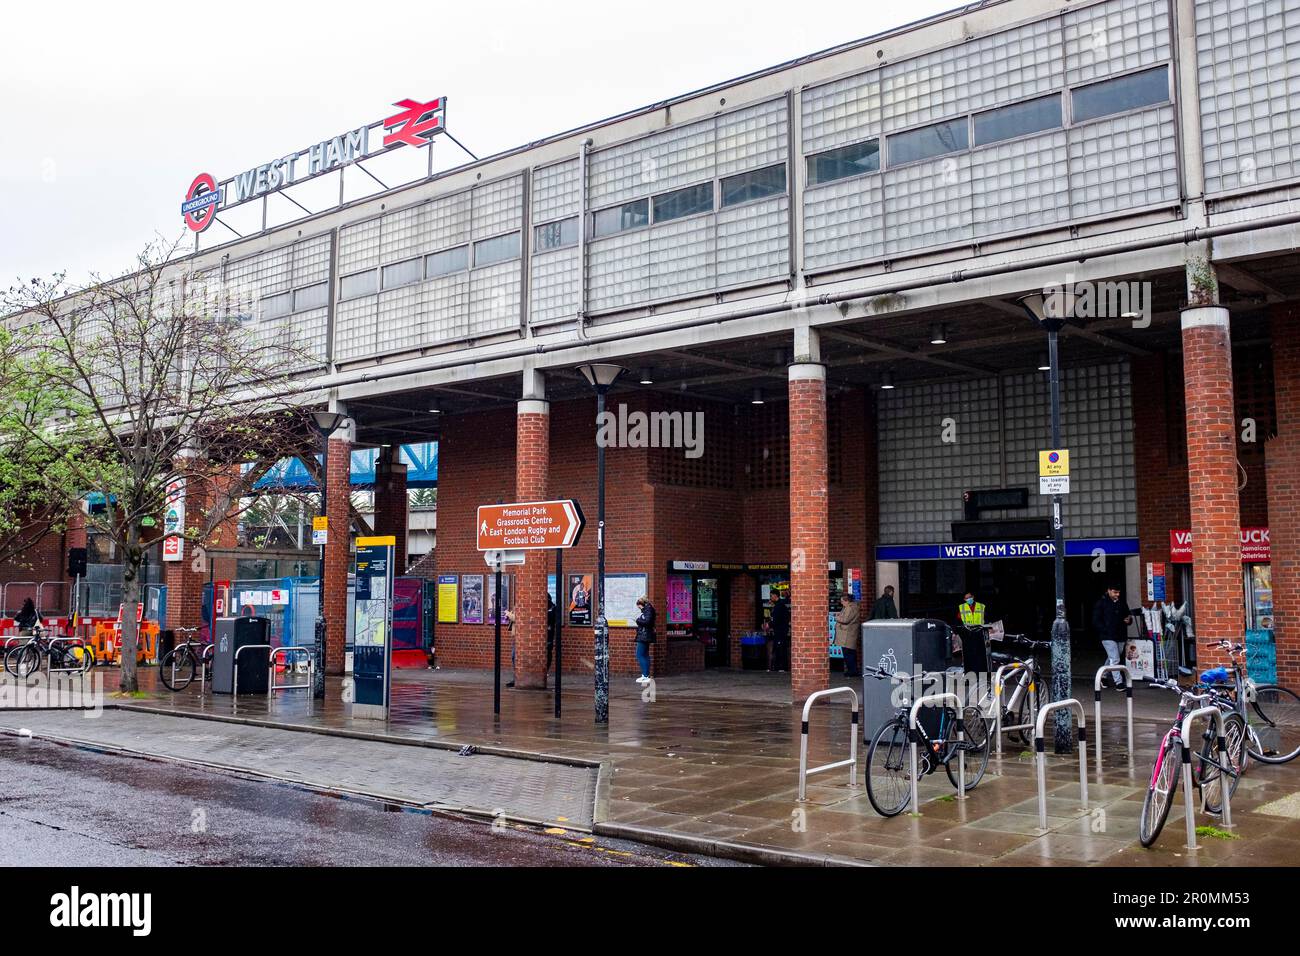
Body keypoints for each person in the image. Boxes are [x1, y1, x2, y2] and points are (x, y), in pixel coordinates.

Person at [1093, 585, 1132, 689]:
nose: (1117, 595)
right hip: (1107, 635)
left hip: (1120, 634)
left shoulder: (1122, 602)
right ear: (1109, 591)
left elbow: (1128, 615)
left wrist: (1129, 620)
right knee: (1115, 658)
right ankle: (1118, 683)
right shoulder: (1101, 603)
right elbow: (1096, 620)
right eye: (1115, 592)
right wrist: (1105, 630)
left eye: (1118, 592)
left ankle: (1103, 675)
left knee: (1113, 657)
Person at [835, 590, 862, 678]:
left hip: (847, 634)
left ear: (847, 601)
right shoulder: (850, 607)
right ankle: (852, 670)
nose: (841, 603)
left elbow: (846, 620)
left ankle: (852, 671)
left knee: (848, 654)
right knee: (850, 653)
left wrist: (837, 618)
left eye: (842, 601)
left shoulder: (849, 608)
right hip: (848, 633)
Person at [634, 596, 656, 685]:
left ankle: (645, 675)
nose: (639, 608)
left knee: (639, 654)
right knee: (645, 654)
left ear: (641, 604)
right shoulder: (648, 609)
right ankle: (646, 675)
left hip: (644, 635)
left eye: (638, 606)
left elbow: (647, 622)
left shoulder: (648, 610)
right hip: (646, 635)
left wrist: (637, 620)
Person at [769, 593, 791, 672]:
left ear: (775, 596)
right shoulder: (778, 605)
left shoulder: (779, 606)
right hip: (780, 631)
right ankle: (777, 667)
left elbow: (776, 620)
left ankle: (781, 667)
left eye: (771, 596)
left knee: (780, 648)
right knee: (778, 648)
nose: (770, 598)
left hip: (780, 631)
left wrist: (769, 625)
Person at [504, 609, 517, 688]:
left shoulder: (521, 605)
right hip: (515, 636)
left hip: (519, 636)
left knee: (514, 656)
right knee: (513, 657)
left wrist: (508, 614)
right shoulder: (516, 606)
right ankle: (515, 678)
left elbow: (517, 618)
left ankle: (516, 678)